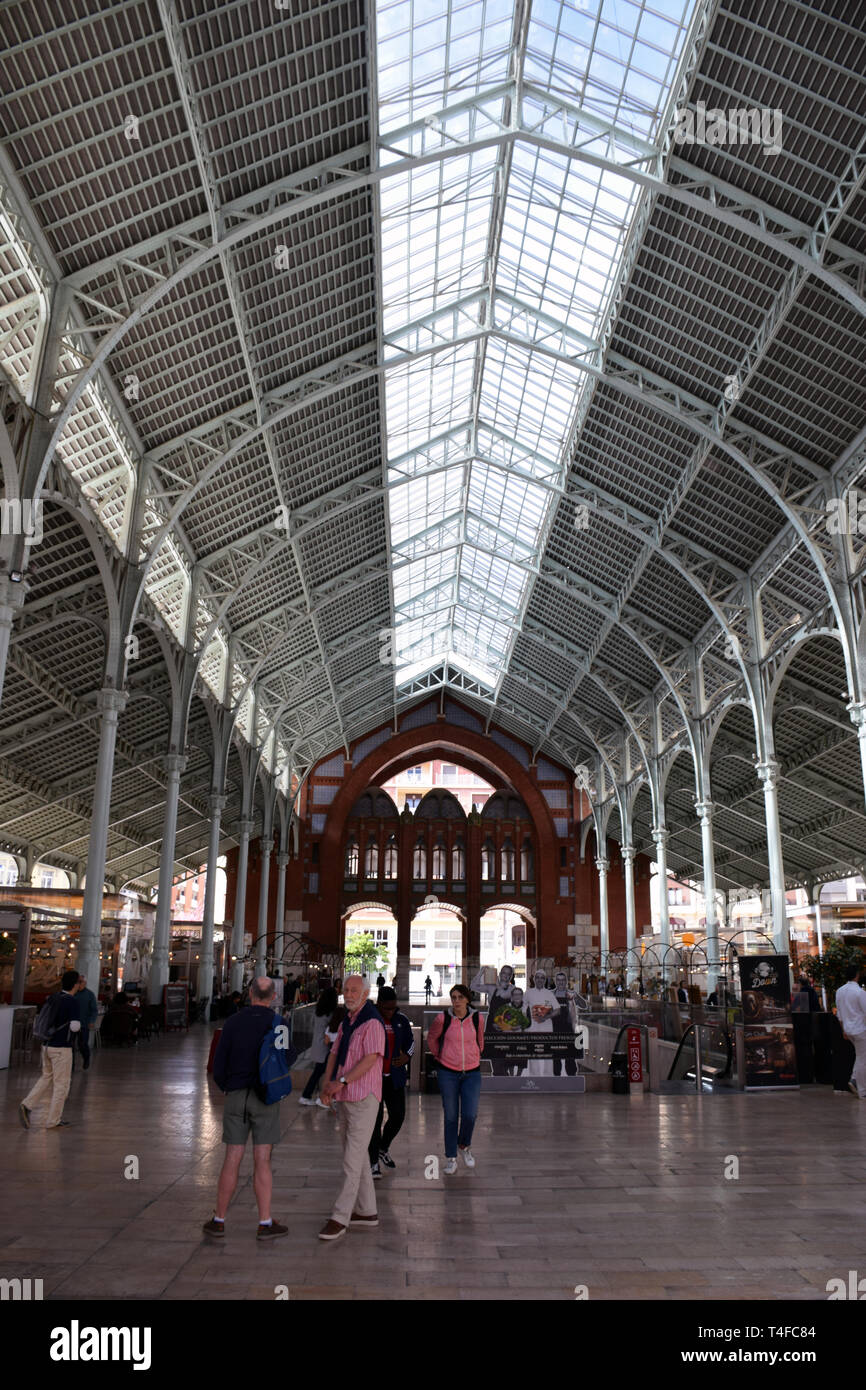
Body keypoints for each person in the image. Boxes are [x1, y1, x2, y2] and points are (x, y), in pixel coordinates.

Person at [203, 976, 289, 1241]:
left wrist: (229, 1087)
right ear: (273, 996)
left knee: (232, 1158)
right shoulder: (279, 1024)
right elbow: (288, 1058)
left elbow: (218, 1065)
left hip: (237, 1096)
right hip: (266, 1098)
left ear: (250, 993)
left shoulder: (233, 1022)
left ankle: (219, 1220)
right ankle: (264, 1222)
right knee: (262, 1160)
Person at [318, 974, 385, 1241]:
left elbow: (370, 1059)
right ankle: (367, 1211)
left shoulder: (372, 1023)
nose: (349, 993)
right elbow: (335, 1052)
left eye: (354, 990)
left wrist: (341, 1081)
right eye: (346, 989)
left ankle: (340, 1216)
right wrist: (327, 1083)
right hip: (346, 1096)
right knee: (353, 1155)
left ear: (366, 993)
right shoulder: (348, 1020)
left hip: (363, 1097)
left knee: (351, 1160)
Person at [427, 983, 485, 1174]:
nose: (457, 1001)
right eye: (454, 997)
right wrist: (439, 1056)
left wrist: (474, 1055)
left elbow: (480, 1042)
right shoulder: (442, 1018)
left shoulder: (477, 1018)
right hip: (448, 1073)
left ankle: (464, 1146)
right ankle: (451, 1157)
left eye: (460, 997)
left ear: (468, 999)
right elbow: (432, 1039)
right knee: (451, 1116)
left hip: (472, 1072)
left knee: (470, 1114)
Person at [19, 970, 82, 1130]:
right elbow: (75, 1027)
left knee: (46, 1077)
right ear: (75, 984)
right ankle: (53, 1119)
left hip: (46, 1045)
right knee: (62, 1084)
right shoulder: (72, 1001)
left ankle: (27, 1104)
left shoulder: (53, 997)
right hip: (62, 1048)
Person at [368, 987, 414, 1178]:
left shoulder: (401, 1020)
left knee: (398, 1116)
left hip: (394, 1077)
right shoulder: (371, 1021)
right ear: (379, 1004)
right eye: (387, 1008)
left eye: (394, 1008)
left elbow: (410, 1043)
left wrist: (406, 1057)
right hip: (374, 1079)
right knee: (375, 1121)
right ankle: (372, 1163)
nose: (391, 1011)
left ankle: (383, 1147)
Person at [298, 987, 338, 1106]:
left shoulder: (319, 1011)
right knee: (323, 1073)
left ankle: (309, 1095)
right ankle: (315, 1096)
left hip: (317, 1045)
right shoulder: (330, 1014)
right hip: (324, 1047)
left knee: (318, 1072)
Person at [835, 964, 866, 1099]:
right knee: (862, 1059)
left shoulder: (839, 991)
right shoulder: (860, 992)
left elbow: (839, 1014)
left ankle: (854, 1079)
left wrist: (843, 1030)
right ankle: (862, 1090)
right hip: (860, 1029)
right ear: (857, 975)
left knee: (860, 1056)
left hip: (848, 1029)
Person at [523, 969, 560, 1076]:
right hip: (532, 1028)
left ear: (545, 980)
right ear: (534, 979)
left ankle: (548, 1077)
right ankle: (534, 1077)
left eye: (542, 978)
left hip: (547, 1028)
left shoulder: (549, 993)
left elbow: (557, 1009)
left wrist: (547, 1017)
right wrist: (525, 1025)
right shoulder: (528, 993)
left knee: (547, 1053)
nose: (540, 980)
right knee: (533, 1053)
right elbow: (523, 1009)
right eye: (537, 977)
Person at [551, 969, 577, 1077]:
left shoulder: (570, 995)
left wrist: (575, 998)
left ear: (566, 981)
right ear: (555, 981)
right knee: (556, 1056)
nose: (560, 982)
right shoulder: (551, 994)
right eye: (558, 980)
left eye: (563, 980)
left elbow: (577, 1011)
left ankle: (571, 1077)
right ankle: (556, 1077)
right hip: (555, 1029)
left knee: (569, 1055)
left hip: (568, 1029)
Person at [74, 974, 98, 1071]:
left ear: (85, 983)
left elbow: (94, 1010)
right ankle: (71, 1065)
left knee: (82, 1044)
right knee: (70, 1045)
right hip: (72, 1023)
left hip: (84, 1024)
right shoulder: (73, 993)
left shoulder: (89, 994)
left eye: (81, 982)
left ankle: (86, 1058)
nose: (79, 984)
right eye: (78, 982)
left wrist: (92, 1021)